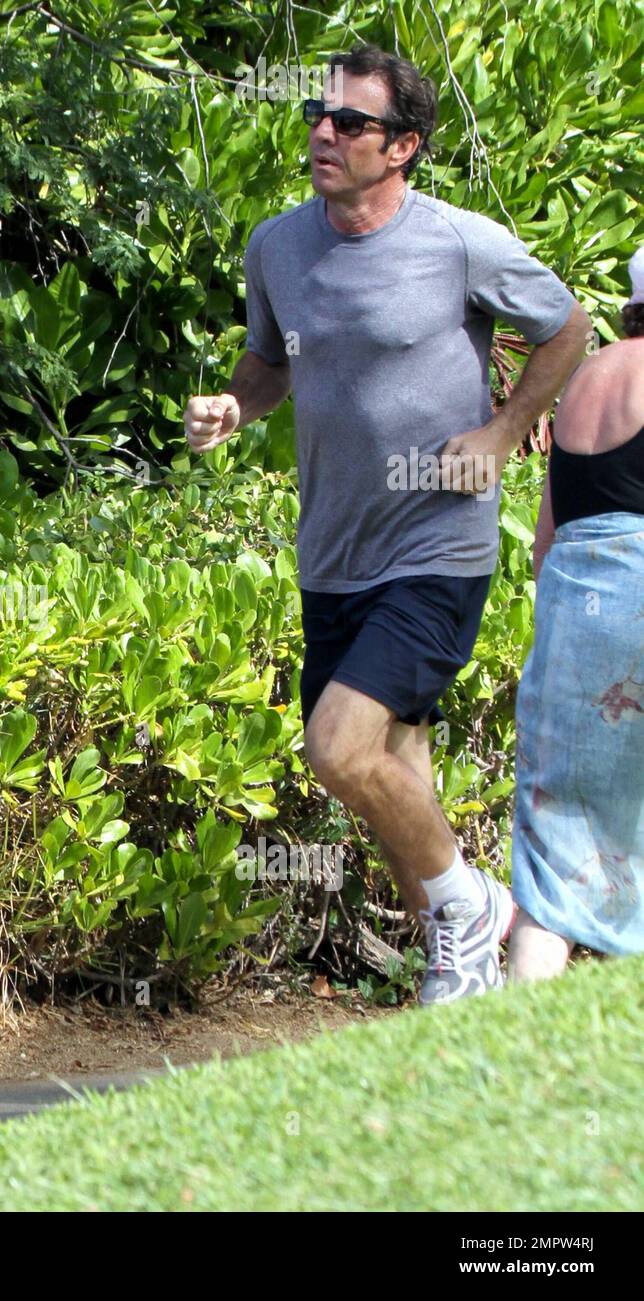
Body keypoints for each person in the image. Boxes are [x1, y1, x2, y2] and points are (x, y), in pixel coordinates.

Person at [183, 44, 590, 1004]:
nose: (325, 133)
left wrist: (503, 430)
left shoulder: (457, 242)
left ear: (403, 146)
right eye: (320, 117)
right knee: (398, 761)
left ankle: (472, 907)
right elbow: (270, 362)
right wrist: (235, 406)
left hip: (434, 547)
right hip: (333, 552)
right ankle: (463, 968)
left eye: (352, 123)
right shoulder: (277, 247)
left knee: (338, 746)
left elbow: (565, 326)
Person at [508, 249, 644, 981]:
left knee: (555, 826)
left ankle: (519, 1022)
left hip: (574, 604)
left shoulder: (588, 375)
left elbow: (546, 535)